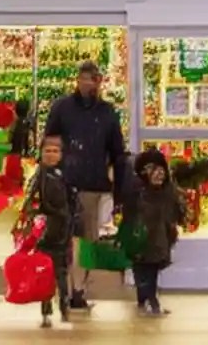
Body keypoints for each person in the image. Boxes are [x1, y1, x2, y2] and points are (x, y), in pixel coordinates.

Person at [43, 60, 126, 311]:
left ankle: (77, 290)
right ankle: (63, 288)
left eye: (93, 79)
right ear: (77, 80)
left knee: (84, 240)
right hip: (63, 183)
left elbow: (117, 151)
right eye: (84, 79)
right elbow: (49, 142)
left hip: (92, 184)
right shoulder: (62, 108)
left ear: (99, 82)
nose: (88, 84)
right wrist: (48, 175)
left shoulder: (107, 113)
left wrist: (118, 188)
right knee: (63, 239)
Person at [126, 149, 186, 317]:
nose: (159, 173)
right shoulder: (137, 193)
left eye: (161, 169)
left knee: (151, 270)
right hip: (142, 240)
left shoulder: (167, 192)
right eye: (153, 169)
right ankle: (149, 301)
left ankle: (147, 301)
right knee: (144, 270)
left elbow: (174, 212)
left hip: (159, 239)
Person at [28, 134, 77, 328]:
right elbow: (31, 200)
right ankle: (46, 310)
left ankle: (64, 307)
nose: (51, 154)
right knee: (45, 273)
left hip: (62, 230)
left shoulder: (65, 175)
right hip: (45, 231)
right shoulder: (39, 175)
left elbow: (73, 202)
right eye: (47, 150)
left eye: (55, 151)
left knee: (61, 272)